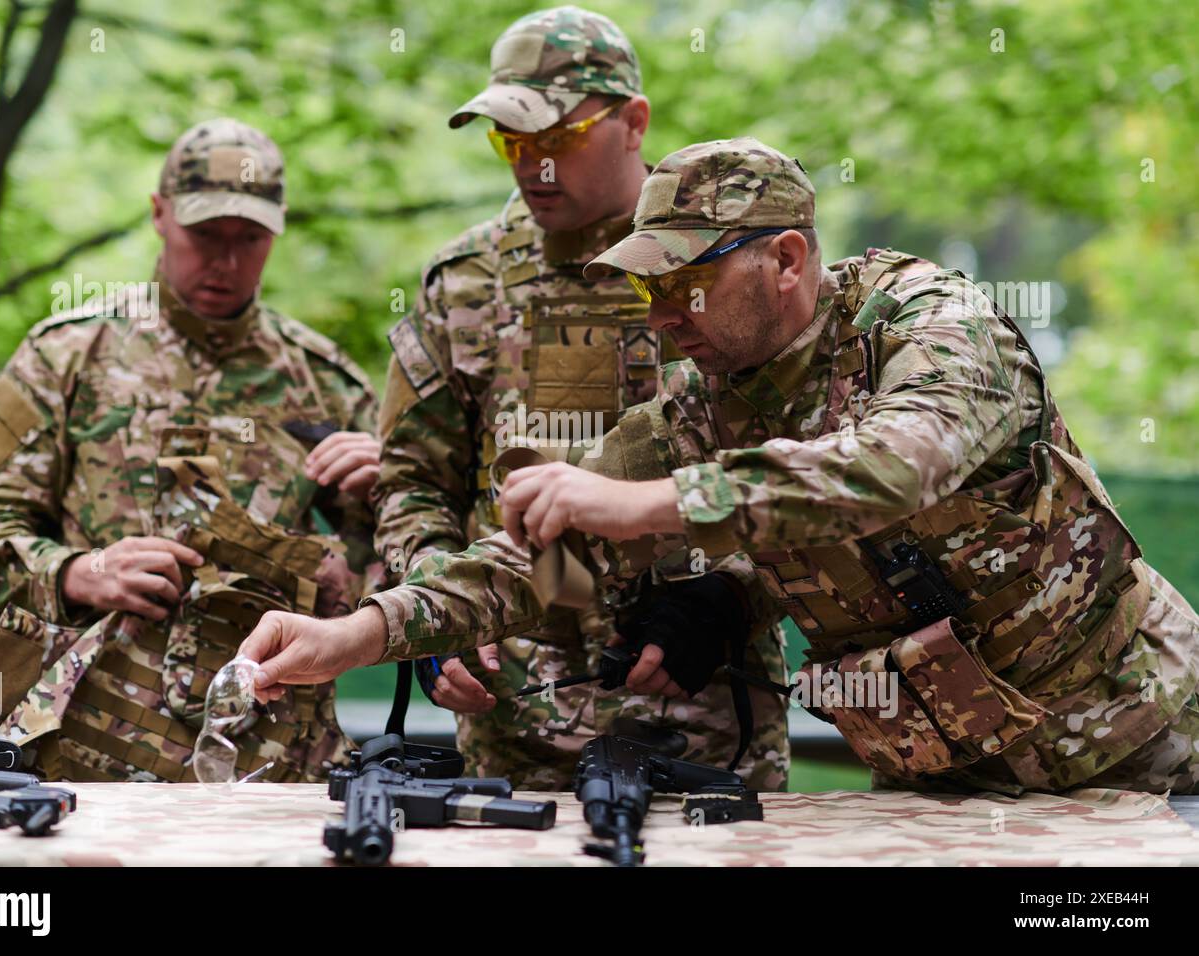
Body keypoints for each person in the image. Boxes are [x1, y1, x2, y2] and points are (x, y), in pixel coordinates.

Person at [239, 137, 1199, 796]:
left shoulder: (929, 327)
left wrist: (650, 504)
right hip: (942, 773)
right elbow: (539, 566)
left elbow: (887, 467)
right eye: (649, 287)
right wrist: (362, 635)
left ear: (786, 260)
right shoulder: (697, 410)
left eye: (686, 283)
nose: (661, 317)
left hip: (1137, 739)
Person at [336, 6, 788, 789]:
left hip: (704, 718)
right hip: (513, 720)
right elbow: (411, 481)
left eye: (556, 140)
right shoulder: (464, 280)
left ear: (634, 122)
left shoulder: (727, 258)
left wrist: (734, 595)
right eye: (510, 141)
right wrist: (438, 607)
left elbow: (811, 462)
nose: (529, 166)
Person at [0, 118, 384, 783]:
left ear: (278, 230)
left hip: (270, 759)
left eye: (251, 239)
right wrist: (76, 572)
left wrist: (385, 496)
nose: (226, 262)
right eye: (204, 235)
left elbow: (406, 569)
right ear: (159, 214)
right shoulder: (65, 357)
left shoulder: (325, 384)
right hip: (78, 752)